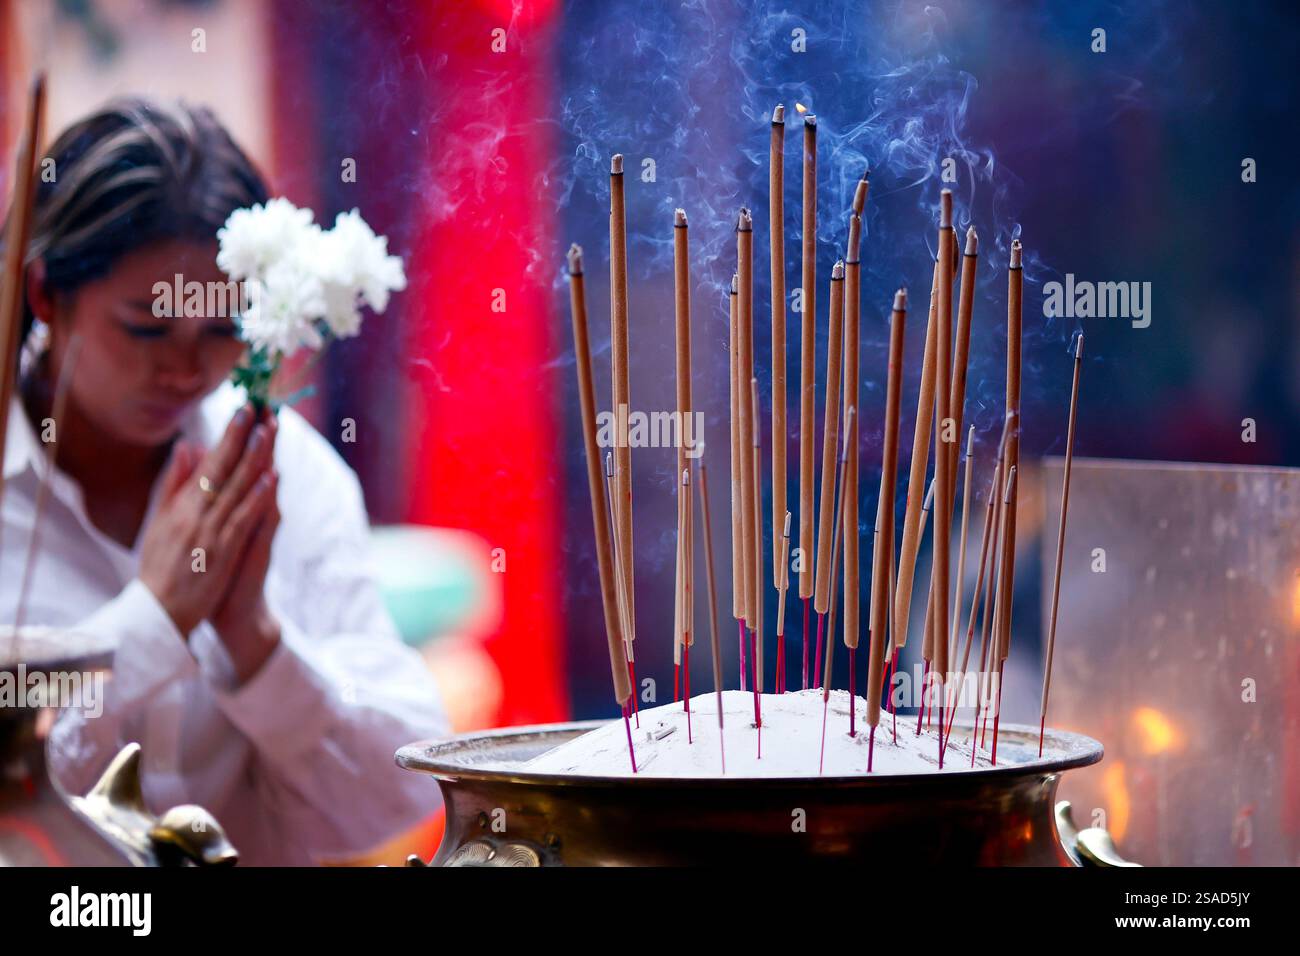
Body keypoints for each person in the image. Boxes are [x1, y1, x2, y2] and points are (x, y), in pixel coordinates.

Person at [0, 97, 449, 865]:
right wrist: (151, 621)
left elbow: (405, 792)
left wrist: (257, 642)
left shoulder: (285, 474)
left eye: (220, 329)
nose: (182, 369)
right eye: (145, 327)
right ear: (46, 296)